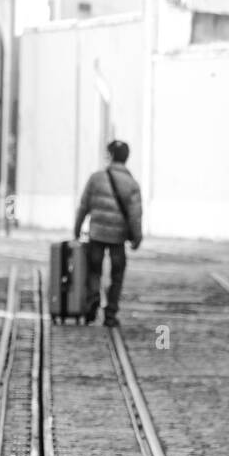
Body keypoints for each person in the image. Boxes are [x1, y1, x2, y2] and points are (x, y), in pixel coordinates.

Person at [74, 140, 143, 327]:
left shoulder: (96, 178)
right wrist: (137, 238)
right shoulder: (132, 184)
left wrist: (77, 228)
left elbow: (83, 206)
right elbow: (135, 216)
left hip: (96, 234)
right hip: (118, 238)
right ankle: (111, 313)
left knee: (93, 270)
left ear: (111, 156)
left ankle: (93, 299)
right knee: (117, 275)